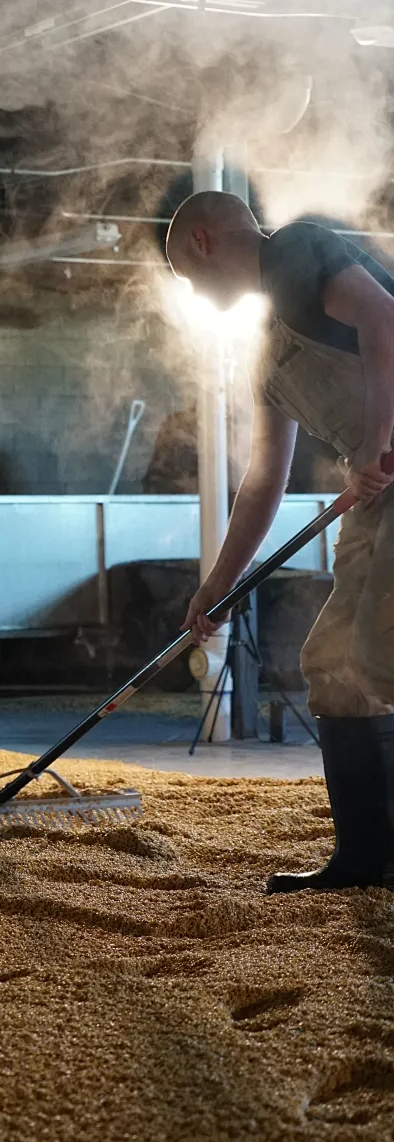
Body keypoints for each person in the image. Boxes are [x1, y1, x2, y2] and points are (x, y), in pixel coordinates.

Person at [166, 191, 394, 893]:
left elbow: (386, 318)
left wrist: (380, 446)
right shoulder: (264, 358)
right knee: (330, 663)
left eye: (189, 279)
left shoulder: (295, 249)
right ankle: (364, 860)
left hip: (385, 467)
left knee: (384, 653)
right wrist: (219, 587)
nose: (199, 297)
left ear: (204, 242)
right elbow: (264, 480)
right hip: (378, 485)